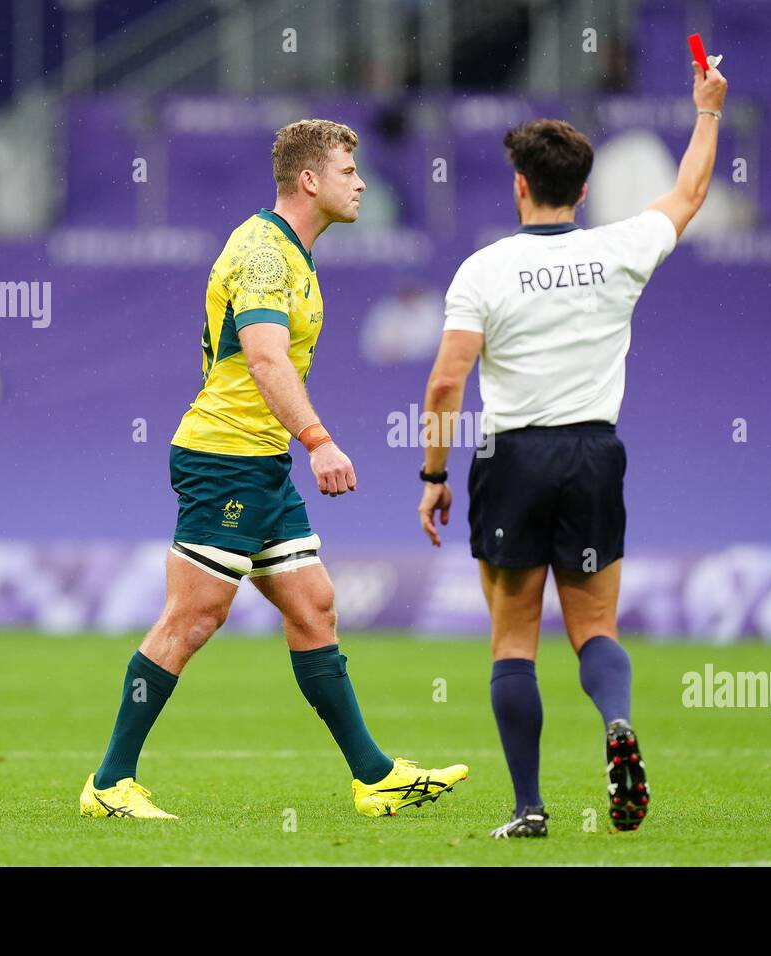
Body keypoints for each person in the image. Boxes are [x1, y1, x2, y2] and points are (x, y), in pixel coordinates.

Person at [80, 119, 468, 820]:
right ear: (310, 180)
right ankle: (109, 783)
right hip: (225, 457)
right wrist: (319, 439)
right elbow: (264, 358)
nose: (361, 183)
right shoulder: (263, 254)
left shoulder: (292, 251)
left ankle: (374, 777)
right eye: (349, 170)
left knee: (314, 606)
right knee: (193, 619)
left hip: (260, 462)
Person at [417, 59, 728, 838]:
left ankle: (528, 808)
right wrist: (709, 111)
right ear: (584, 191)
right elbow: (689, 194)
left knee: (513, 637)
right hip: (594, 454)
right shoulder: (621, 249)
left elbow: (446, 384)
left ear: (519, 186)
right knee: (596, 630)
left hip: (514, 457)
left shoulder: (483, 270)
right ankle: (617, 723)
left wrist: (433, 474)